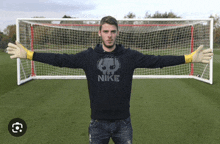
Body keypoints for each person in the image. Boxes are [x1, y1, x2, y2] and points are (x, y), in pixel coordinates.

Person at [7, 16, 213, 144]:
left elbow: (157, 60)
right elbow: (61, 60)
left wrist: (188, 58)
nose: (109, 36)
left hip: (124, 123)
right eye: (106, 31)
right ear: (99, 33)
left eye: (113, 31)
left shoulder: (129, 56)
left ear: (117, 33)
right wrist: (29, 55)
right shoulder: (88, 57)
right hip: (97, 124)